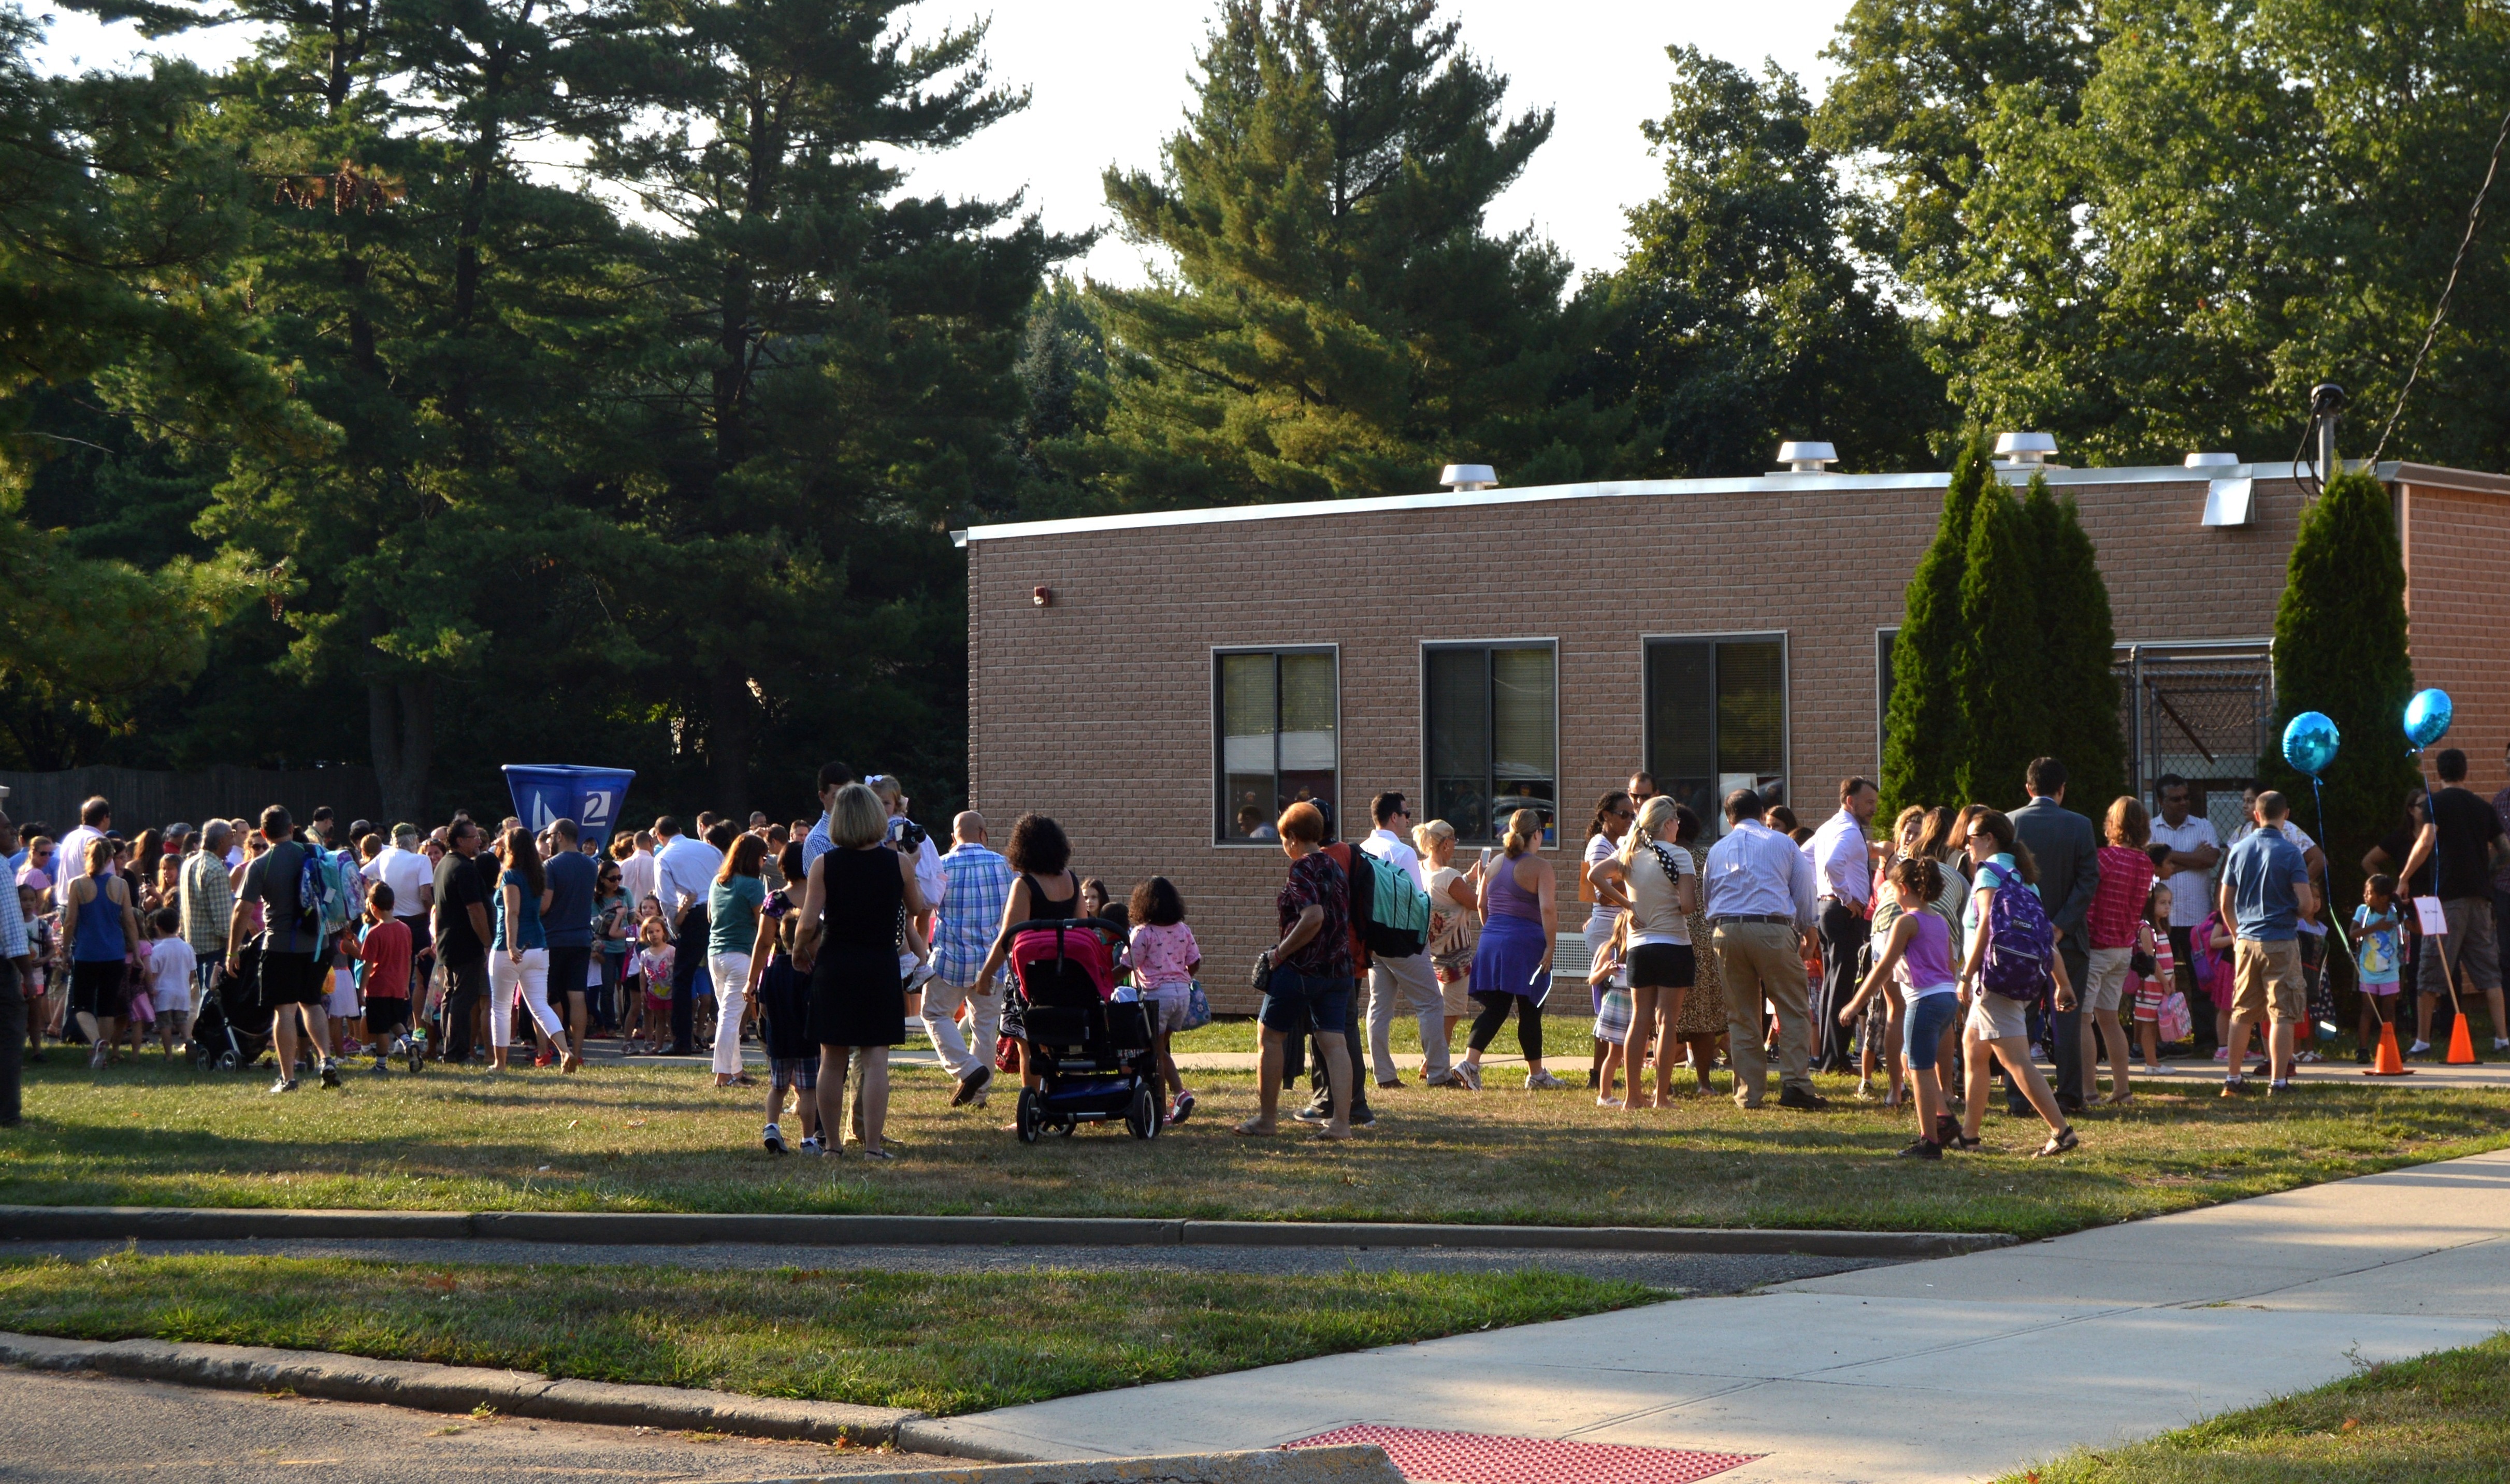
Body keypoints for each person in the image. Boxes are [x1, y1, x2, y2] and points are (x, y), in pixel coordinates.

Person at [794, 782, 930, 1159]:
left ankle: (833, 1146)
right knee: (876, 1057)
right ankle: (872, 1147)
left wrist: (798, 951)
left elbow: (807, 923)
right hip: (879, 963)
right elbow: (918, 904)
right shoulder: (897, 862)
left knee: (831, 1057)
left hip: (836, 962)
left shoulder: (825, 863)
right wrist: (910, 868)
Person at [1953, 809, 2079, 1155]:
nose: (1968, 844)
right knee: (1974, 1049)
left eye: (1972, 837)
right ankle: (1970, 1134)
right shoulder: (2027, 881)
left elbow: (1985, 930)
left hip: (1992, 980)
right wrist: (2062, 982)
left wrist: (1966, 974)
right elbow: (2045, 941)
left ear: (1989, 839)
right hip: (2016, 977)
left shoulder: (1988, 875)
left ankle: (2061, 1130)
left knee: (2017, 1060)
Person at [1236, 800, 1355, 1137]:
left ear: (1291, 837)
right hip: (1338, 969)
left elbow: (1313, 916)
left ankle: (1266, 1119)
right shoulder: (1336, 867)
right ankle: (1342, 1124)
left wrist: (1279, 954)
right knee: (1334, 1042)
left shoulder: (1303, 868)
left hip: (1302, 968)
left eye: (1282, 838)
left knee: (1270, 1036)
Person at [1706, 788, 1822, 1111]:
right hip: (1772, 927)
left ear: (1729, 819)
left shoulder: (1717, 850)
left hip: (1726, 929)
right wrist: (1808, 931)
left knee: (1741, 1015)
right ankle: (1796, 1085)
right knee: (1793, 1008)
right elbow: (1803, 891)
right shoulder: (1783, 843)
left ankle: (1748, 1094)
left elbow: (1707, 896)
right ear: (1761, 813)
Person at [1840, 856, 1959, 1159]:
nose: (1889, 895)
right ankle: (1944, 1119)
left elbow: (1881, 969)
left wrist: (1856, 1004)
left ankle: (1929, 1141)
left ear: (1903, 888)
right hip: (1947, 997)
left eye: (1891, 890)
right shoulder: (1940, 920)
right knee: (1916, 1060)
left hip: (1924, 999)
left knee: (1918, 1068)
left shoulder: (1906, 922)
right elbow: (1949, 963)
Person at [2400, 747, 2509, 1055]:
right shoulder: (2481, 806)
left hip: (2442, 898)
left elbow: (2426, 841)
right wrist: (2486, 874)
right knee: (2488, 970)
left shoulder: (2434, 804)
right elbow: (2505, 850)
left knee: (2431, 967)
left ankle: (2422, 1040)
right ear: (2465, 771)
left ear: (2439, 772)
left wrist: (2404, 877)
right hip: (2480, 898)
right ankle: (2502, 1037)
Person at [229, 805, 338, 1092]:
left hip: (280, 945)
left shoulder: (260, 864)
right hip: (317, 944)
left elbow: (242, 910)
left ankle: (288, 1078)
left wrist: (232, 952)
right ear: (292, 828)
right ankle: (327, 1060)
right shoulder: (314, 853)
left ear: (263, 834)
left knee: (285, 1011)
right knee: (312, 1003)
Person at [2012, 757, 2098, 1114]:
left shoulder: (2011, 822)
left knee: (2021, 1016)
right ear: (2062, 789)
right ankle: (2070, 1094)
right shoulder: (2080, 825)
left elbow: (2005, 880)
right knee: (2069, 1015)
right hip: (2070, 938)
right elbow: (2088, 879)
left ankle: (2019, 1097)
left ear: (2029, 788)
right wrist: (2062, 923)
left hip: (2020, 939)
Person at [2218, 790, 2317, 1094]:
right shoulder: (2290, 853)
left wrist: (2237, 935)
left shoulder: (2239, 849)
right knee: (2283, 1012)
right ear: (2285, 815)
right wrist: (2297, 908)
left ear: (2257, 815)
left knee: (2243, 1012)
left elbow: (2225, 903)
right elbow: (2305, 903)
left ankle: (2233, 1080)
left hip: (2247, 940)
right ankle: (2278, 1081)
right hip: (2281, 940)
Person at [1459, 807, 1562, 1092]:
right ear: (1537, 834)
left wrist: (1495, 930)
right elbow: (1548, 908)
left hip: (1492, 940)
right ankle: (1537, 1075)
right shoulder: (1541, 867)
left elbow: (1482, 905)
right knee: (1531, 1009)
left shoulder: (1494, 864)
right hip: (1526, 945)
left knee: (1496, 1008)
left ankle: (1470, 1065)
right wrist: (1551, 946)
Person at [1360, 791, 1456, 1090]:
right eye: (1406, 814)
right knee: (1430, 1002)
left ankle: (1384, 1075)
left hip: (1373, 940)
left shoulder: (1362, 850)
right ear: (1394, 818)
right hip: (1402, 939)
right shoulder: (1402, 853)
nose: (1408, 819)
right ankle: (1439, 1074)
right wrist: (1423, 938)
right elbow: (1418, 900)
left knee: (1380, 1007)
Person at [1613, 794, 1697, 1110]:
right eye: (1676, 820)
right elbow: (1688, 906)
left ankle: (1632, 1096)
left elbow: (1595, 875)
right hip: (1673, 944)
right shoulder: (1680, 856)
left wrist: (1628, 905)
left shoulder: (1630, 854)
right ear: (1667, 824)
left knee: (1639, 1020)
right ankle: (1661, 1098)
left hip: (1639, 946)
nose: (1679, 825)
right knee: (1667, 1023)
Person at [924, 811, 1011, 1108]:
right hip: (992, 961)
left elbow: (927, 907)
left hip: (951, 959)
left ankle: (967, 1069)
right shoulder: (1003, 866)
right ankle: (979, 1094)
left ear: (953, 837)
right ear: (983, 833)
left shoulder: (942, 865)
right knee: (984, 1028)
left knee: (934, 1014)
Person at [2083, 797, 2156, 1104]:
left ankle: (2088, 1090)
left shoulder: (2105, 859)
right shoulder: (2146, 862)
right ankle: (2122, 1088)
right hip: (2122, 948)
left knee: (2082, 1020)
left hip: (2096, 946)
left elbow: (2087, 899)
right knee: (2110, 1019)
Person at [1807, 777, 1881, 1075]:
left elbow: (1804, 856)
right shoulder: (1850, 831)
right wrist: (1846, 896)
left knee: (1832, 986)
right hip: (1843, 912)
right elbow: (1832, 864)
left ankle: (1829, 1057)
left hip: (1826, 909)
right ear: (1850, 801)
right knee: (1842, 986)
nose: (1874, 809)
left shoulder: (1827, 827)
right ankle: (1835, 1060)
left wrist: (1820, 892)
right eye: (1869, 802)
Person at [2148, 775, 2223, 1058]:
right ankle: (2161, 1041)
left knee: (2202, 981)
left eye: (2186, 798)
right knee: (2159, 982)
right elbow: (2150, 863)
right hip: (2161, 920)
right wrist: (2190, 857)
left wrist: (2168, 858)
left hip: (2197, 920)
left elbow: (2210, 860)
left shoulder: (2203, 825)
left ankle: (2205, 1041)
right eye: (2175, 799)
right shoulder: (2150, 828)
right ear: (2161, 802)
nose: (2183, 803)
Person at [491, 825, 567, 1073]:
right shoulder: (537, 875)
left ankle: (499, 1063)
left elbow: (513, 911)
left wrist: (511, 945)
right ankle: (566, 1052)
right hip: (539, 946)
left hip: (508, 947)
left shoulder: (511, 876)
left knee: (501, 1007)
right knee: (539, 1004)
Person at [1127, 876, 1201, 1124]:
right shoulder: (1182, 929)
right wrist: (1180, 978)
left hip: (1156, 995)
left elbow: (1128, 963)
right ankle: (1177, 1095)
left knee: (1155, 1055)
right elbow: (1196, 961)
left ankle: (1165, 1104)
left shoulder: (1143, 932)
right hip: (1182, 994)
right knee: (1160, 1048)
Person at [1578, 791, 1637, 1089]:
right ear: (1606, 817)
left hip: (1616, 924)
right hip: (1608, 928)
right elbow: (1601, 893)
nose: (1630, 819)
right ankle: (1597, 1074)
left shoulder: (1617, 844)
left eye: (1633, 815)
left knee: (1616, 1003)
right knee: (1611, 1003)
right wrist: (1638, 890)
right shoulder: (1599, 845)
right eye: (1624, 814)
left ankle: (1605, 1073)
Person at [652, 815, 723, 1056]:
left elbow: (667, 900)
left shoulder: (663, 857)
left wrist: (675, 928)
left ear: (659, 836)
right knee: (723, 974)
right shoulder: (708, 849)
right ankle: (726, 1035)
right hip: (719, 909)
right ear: (681, 829)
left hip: (694, 916)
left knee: (683, 978)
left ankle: (683, 1040)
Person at [532, 818, 598, 1074]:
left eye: (549, 836)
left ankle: (545, 1052)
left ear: (559, 836)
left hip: (553, 939)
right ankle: (578, 1053)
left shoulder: (550, 866)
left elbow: (545, 905)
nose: (547, 841)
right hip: (581, 938)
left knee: (544, 998)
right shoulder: (590, 865)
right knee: (577, 995)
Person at [706, 833, 771, 1089]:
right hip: (741, 954)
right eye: (763, 857)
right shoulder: (754, 886)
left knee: (726, 1015)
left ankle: (736, 1070)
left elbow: (711, 917)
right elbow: (762, 923)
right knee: (730, 1018)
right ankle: (723, 1074)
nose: (764, 862)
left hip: (715, 954)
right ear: (754, 858)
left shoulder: (717, 882)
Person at [755, 913, 821, 1154]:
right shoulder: (809, 973)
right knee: (807, 1091)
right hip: (805, 1041)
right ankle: (808, 1140)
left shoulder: (770, 971)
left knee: (777, 1087)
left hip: (778, 1040)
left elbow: (762, 1006)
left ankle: (771, 1126)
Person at [1415, 819, 1481, 1056]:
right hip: (1455, 957)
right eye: (1453, 841)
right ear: (1444, 845)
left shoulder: (1420, 868)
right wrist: (1484, 879)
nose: (1454, 846)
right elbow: (1477, 904)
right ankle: (1434, 1062)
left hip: (1432, 953)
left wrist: (1468, 878)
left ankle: (1432, 1059)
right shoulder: (1449, 875)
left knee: (1437, 1010)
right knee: (1450, 1013)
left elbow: (1443, 892)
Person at [432, 819, 495, 1064]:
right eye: (473, 837)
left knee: (451, 996)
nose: (479, 841)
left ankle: (450, 1050)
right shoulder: (464, 868)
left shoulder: (444, 865)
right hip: (465, 943)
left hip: (448, 941)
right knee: (463, 998)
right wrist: (487, 942)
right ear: (460, 841)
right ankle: (457, 1053)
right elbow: (475, 910)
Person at [354, 884, 412, 1071]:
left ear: (372, 906)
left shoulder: (374, 933)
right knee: (395, 1021)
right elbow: (408, 958)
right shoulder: (405, 929)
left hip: (379, 986)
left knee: (381, 1028)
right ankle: (409, 1043)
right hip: (398, 984)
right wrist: (406, 984)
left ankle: (381, 1064)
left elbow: (368, 963)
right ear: (393, 903)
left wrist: (362, 989)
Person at [2354, 873, 2405, 1054]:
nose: (2366, 896)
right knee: (2367, 1010)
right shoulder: (2363, 911)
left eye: (2370, 893)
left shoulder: (2395, 913)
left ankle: (2391, 1049)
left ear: (2383, 897)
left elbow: (2412, 927)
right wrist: (2376, 927)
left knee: (2390, 1011)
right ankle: (2363, 1049)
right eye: (2365, 893)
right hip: (2368, 972)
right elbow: (2353, 933)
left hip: (2390, 972)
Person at [0, 812, 26, 1125]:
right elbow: (11, 928)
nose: (12, 832)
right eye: (6, 828)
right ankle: (8, 1114)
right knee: (8, 1040)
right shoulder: (3, 869)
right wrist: (28, 972)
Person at [799, 761, 858, 873]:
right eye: (838, 797)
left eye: (850, 795)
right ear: (822, 796)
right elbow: (836, 882)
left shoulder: (867, 829)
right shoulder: (817, 839)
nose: (846, 802)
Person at [54, 796, 111, 912]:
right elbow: (108, 880)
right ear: (105, 818)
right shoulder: (97, 841)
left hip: (66, 906)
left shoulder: (70, 837)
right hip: (91, 908)